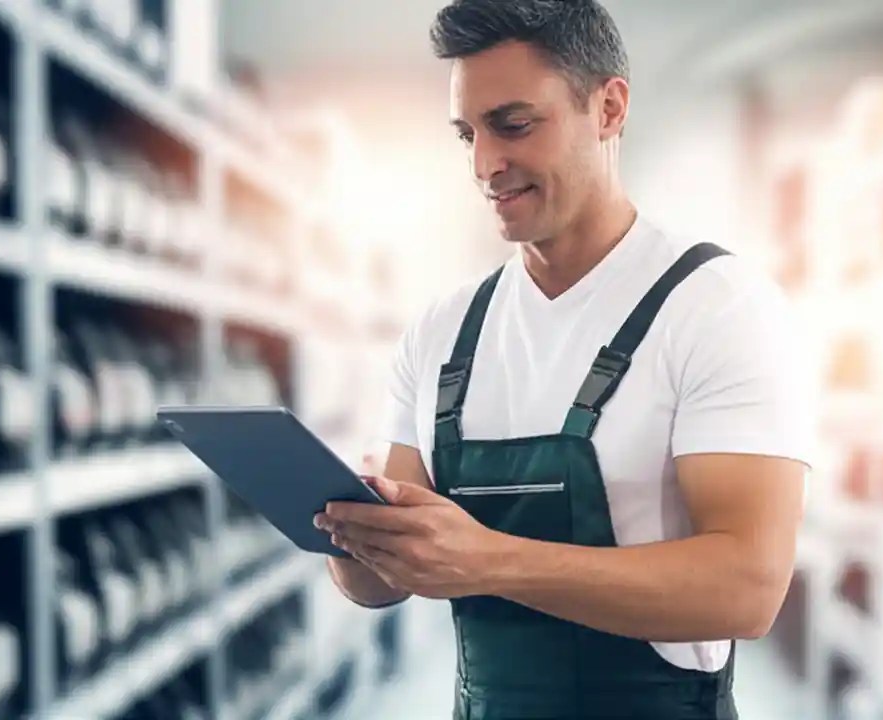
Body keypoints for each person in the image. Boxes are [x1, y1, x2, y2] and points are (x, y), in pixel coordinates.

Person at [313, 1, 817, 718]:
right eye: (468, 134)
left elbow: (748, 587)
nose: (486, 164)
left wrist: (485, 559)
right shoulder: (442, 332)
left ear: (608, 108)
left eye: (514, 125)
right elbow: (377, 586)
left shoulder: (717, 307)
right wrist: (346, 530)